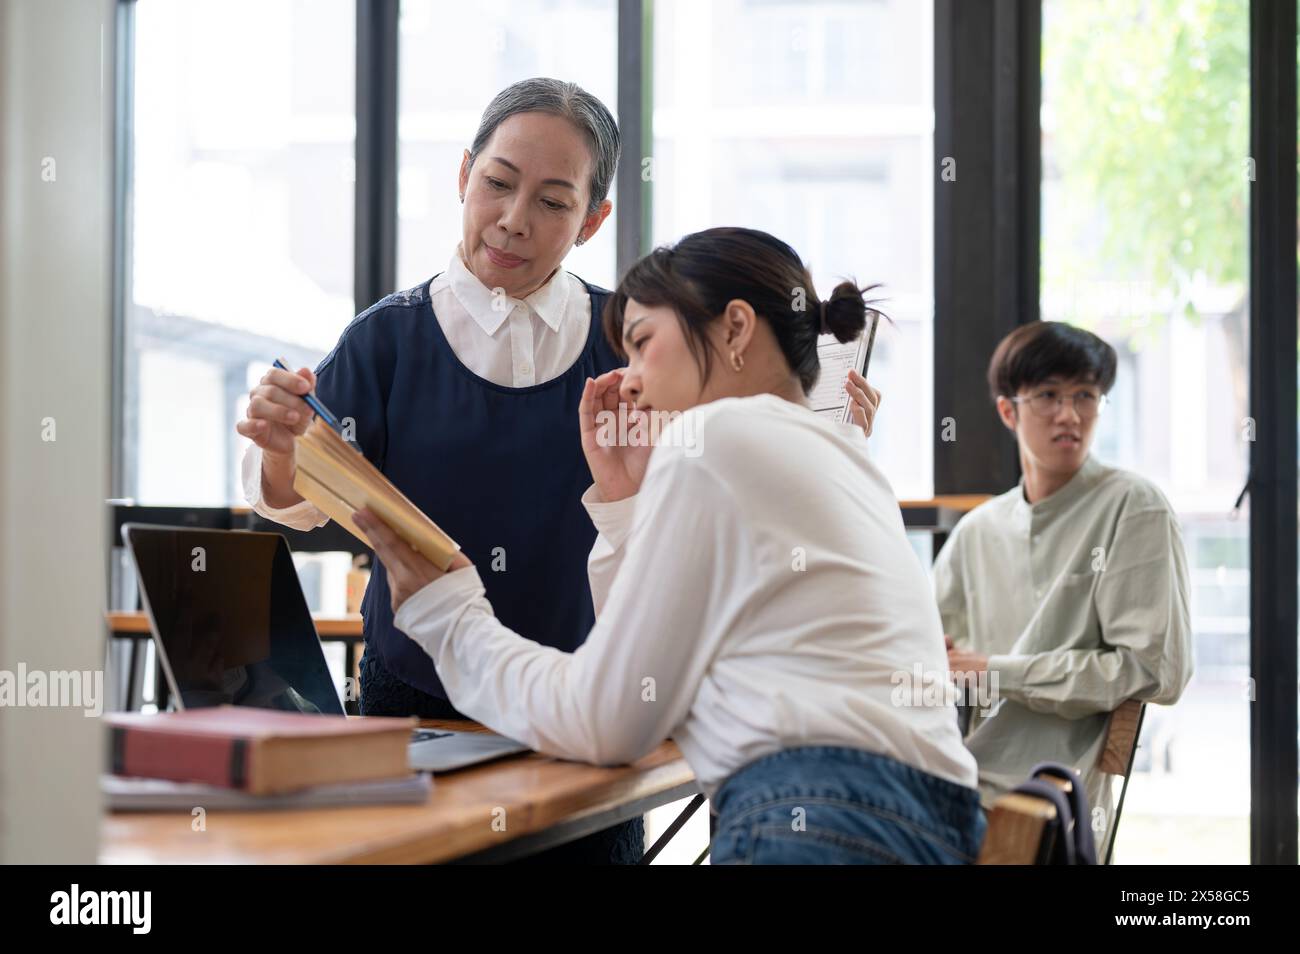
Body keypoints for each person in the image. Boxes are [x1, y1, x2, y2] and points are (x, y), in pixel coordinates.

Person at [355, 227, 985, 865]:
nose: (625, 382)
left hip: (817, 827)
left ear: (736, 330)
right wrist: (626, 503)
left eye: (642, 343)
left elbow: (606, 721)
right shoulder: (845, 460)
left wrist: (448, 612)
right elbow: (649, 689)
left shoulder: (716, 436)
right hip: (926, 823)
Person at [932, 320, 1193, 854]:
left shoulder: (1133, 507)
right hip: (958, 782)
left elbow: (1155, 670)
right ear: (1009, 410)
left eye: (1086, 396)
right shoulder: (978, 531)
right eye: (1048, 395)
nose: (1069, 415)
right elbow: (928, 655)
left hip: (1049, 799)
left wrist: (993, 670)